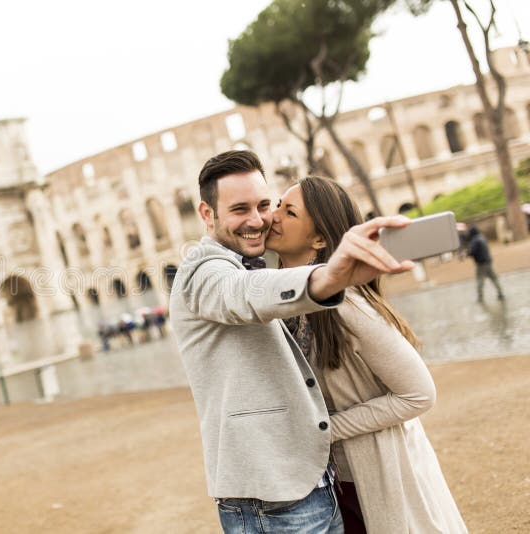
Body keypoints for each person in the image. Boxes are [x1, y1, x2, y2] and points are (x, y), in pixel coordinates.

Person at [169, 151, 414, 534]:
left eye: (264, 205)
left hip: (310, 485)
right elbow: (242, 293)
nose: (257, 220)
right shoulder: (203, 273)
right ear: (207, 213)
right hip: (272, 501)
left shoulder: (257, 263)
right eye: (239, 209)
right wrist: (325, 277)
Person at [265, 175, 467, 533]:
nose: (273, 215)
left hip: (375, 477)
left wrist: (325, 430)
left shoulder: (348, 307)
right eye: (278, 204)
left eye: (289, 212)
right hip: (333, 481)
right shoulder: (283, 301)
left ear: (319, 239)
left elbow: (419, 394)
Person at [466, 225, 504, 303]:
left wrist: (467, 253)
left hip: (481, 264)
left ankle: (480, 297)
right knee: (494, 279)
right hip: (488, 262)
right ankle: (500, 293)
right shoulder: (482, 238)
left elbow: (472, 252)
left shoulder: (474, 241)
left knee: (480, 280)